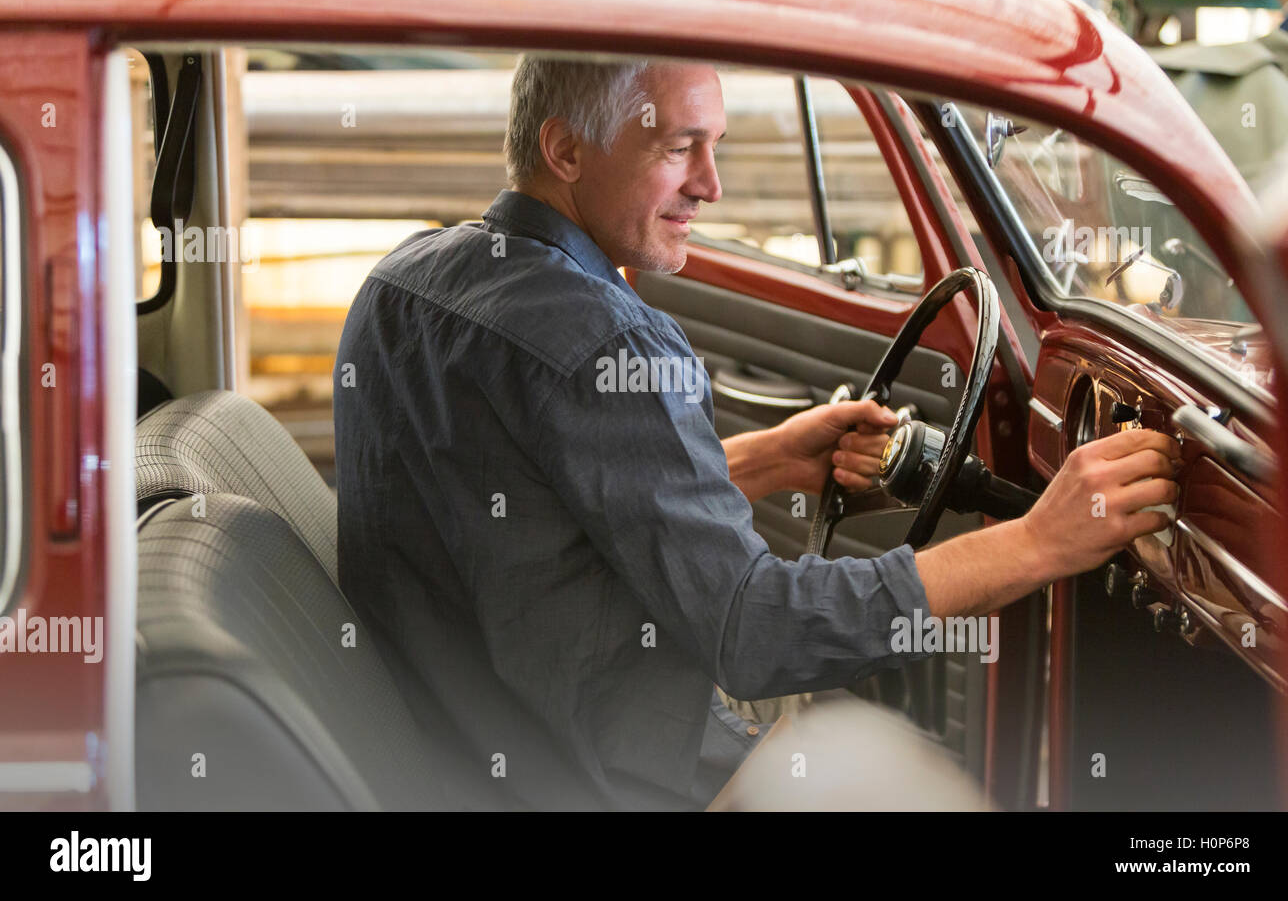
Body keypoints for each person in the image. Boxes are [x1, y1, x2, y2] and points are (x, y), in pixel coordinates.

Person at [333, 55, 1180, 809]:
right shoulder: (610, 341)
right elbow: (756, 635)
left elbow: (535, 512)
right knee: (902, 768)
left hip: (465, 736)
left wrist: (771, 456)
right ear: (564, 152)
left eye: (717, 147)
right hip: (597, 773)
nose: (712, 185)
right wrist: (1039, 541)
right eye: (679, 149)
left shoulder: (402, 281)